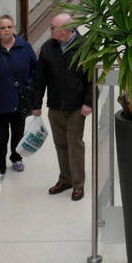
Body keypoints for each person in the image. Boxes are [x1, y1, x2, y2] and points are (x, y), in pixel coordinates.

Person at [31, 13, 93, 201]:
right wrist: (36, 104)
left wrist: (88, 102)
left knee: (75, 145)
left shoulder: (84, 47)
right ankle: (64, 179)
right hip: (55, 105)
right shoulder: (48, 48)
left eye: (53, 28)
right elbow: (39, 78)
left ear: (68, 30)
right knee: (60, 145)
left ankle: (78, 184)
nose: (50, 31)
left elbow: (92, 79)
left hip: (76, 107)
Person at [0, 15, 37, 185]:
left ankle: (16, 158)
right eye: (3, 28)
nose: (6, 30)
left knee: (18, 133)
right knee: (0, 138)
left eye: (9, 27)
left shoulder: (24, 48)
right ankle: (0, 167)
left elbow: (36, 69)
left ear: (14, 28)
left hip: (19, 101)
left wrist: (29, 86)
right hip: (0, 102)